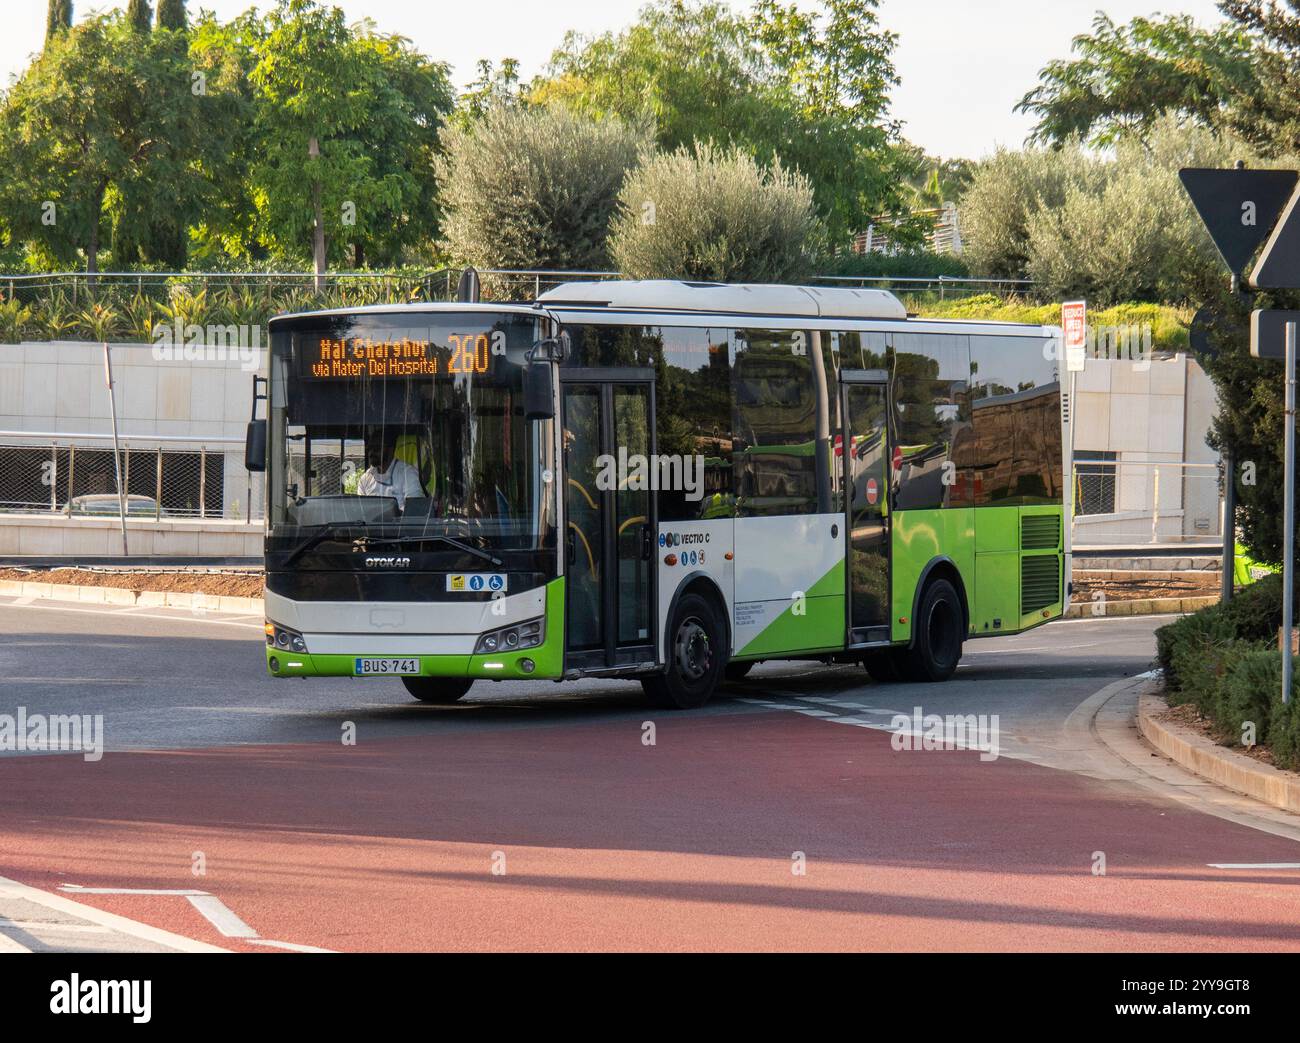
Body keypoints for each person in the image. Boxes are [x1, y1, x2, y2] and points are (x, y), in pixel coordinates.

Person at [356, 435, 424, 509]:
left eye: (376, 448)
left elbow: (412, 509)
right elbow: (361, 510)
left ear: (390, 449)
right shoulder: (365, 478)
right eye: (369, 448)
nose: (371, 452)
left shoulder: (408, 474)